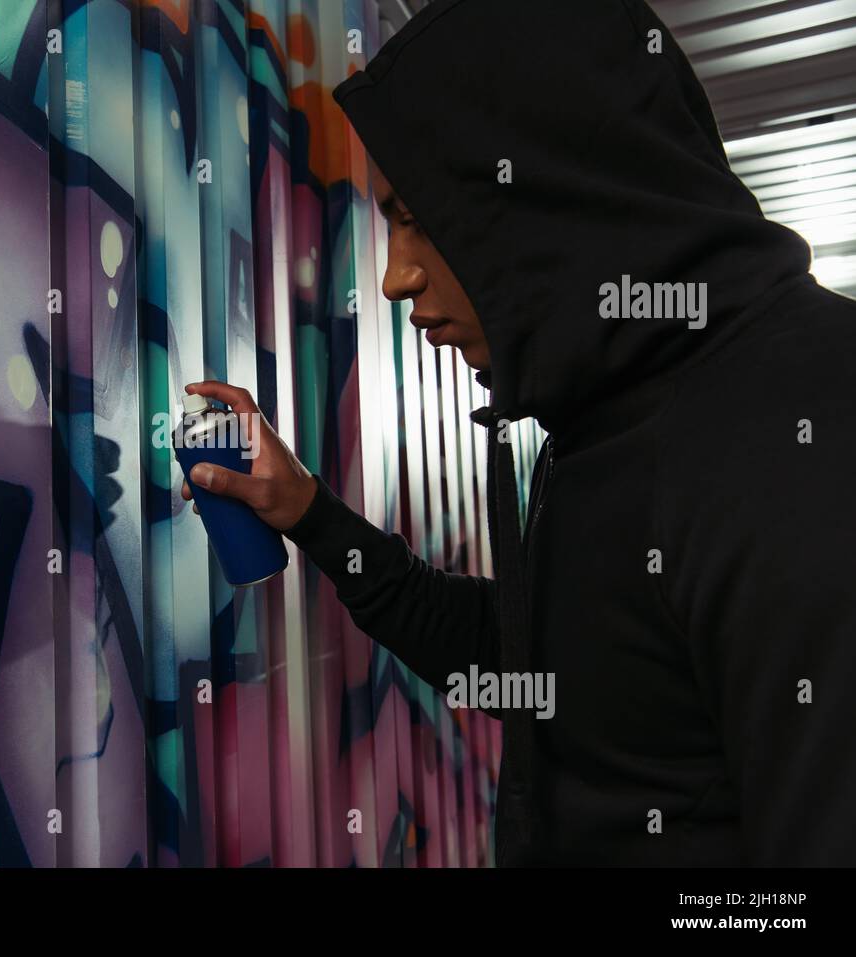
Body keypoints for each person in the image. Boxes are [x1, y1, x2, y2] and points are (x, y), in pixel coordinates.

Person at [180, 0, 856, 866]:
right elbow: (534, 671)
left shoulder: (803, 436)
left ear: (551, 183)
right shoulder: (610, 420)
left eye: (419, 218)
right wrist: (309, 511)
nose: (395, 276)